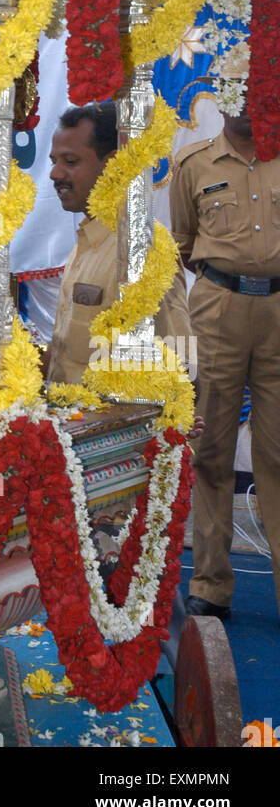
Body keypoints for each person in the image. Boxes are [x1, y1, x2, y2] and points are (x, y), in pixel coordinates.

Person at [170, 97, 280, 620]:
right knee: (210, 448)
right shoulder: (194, 164)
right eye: (237, 94)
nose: (250, 106)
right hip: (217, 308)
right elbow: (184, 241)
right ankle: (211, 584)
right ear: (224, 101)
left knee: (278, 454)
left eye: (258, 91)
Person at [46, 102, 192, 385]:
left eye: (70, 161)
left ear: (112, 163)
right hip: (74, 421)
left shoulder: (144, 249)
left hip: (115, 425)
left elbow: (180, 362)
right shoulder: (85, 244)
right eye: (54, 161)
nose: (55, 174)